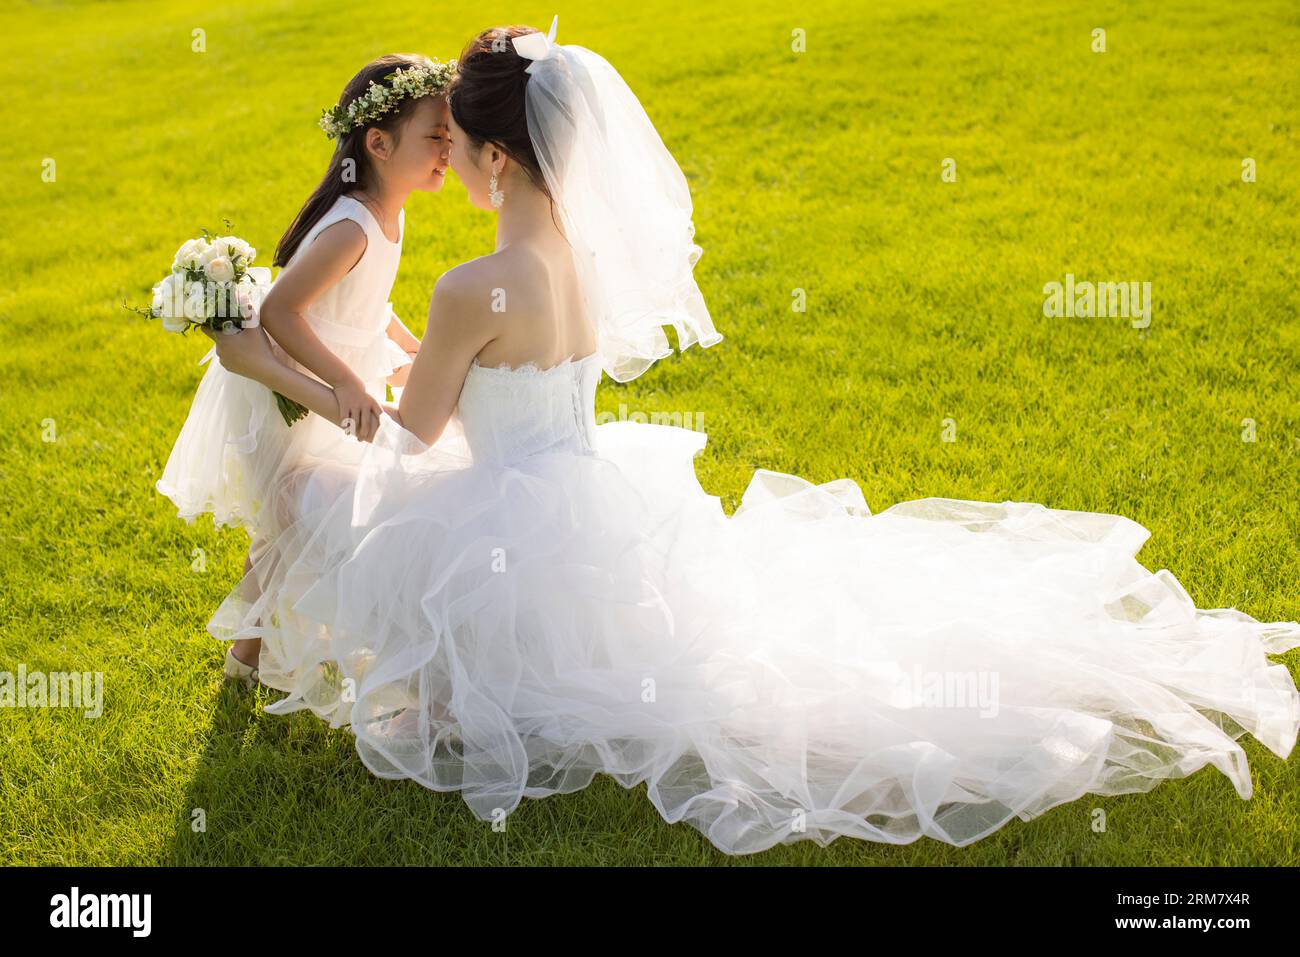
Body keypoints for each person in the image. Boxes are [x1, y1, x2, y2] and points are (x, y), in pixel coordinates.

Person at [203, 19, 1300, 855]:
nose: (456, 161)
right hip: (588, 497)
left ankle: (287, 671)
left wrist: (272, 363)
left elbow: (414, 432)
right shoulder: (577, 259)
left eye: (463, 146)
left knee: (312, 487)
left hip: (506, 514)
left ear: (496, 157)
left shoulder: (473, 283)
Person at [159, 53, 459, 686]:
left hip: (333, 373)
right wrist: (346, 383)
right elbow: (281, 312)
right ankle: (290, 652)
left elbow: (368, 302)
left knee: (286, 525)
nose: (448, 146)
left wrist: (415, 345)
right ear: (378, 143)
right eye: (435, 135)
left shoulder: (387, 214)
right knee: (301, 515)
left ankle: (243, 657)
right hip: (298, 391)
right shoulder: (350, 226)